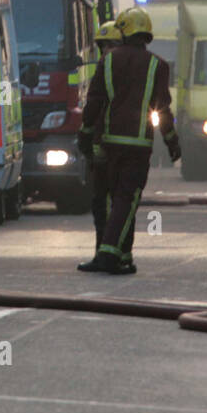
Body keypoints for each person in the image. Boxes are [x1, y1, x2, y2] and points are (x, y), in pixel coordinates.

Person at [76, 7, 180, 274]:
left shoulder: (108, 61)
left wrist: (86, 135)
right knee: (127, 198)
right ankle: (112, 253)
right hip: (139, 145)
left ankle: (120, 255)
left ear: (124, 30)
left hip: (110, 143)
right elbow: (163, 110)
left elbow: (95, 102)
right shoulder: (159, 65)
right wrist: (172, 142)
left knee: (113, 199)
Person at [87, 20, 124, 256]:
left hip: (120, 149)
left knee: (118, 202)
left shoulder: (125, 75)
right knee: (99, 203)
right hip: (102, 147)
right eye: (102, 47)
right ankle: (102, 248)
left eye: (110, 46)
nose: (105, 52)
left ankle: (113, 251)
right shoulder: (101, 70)